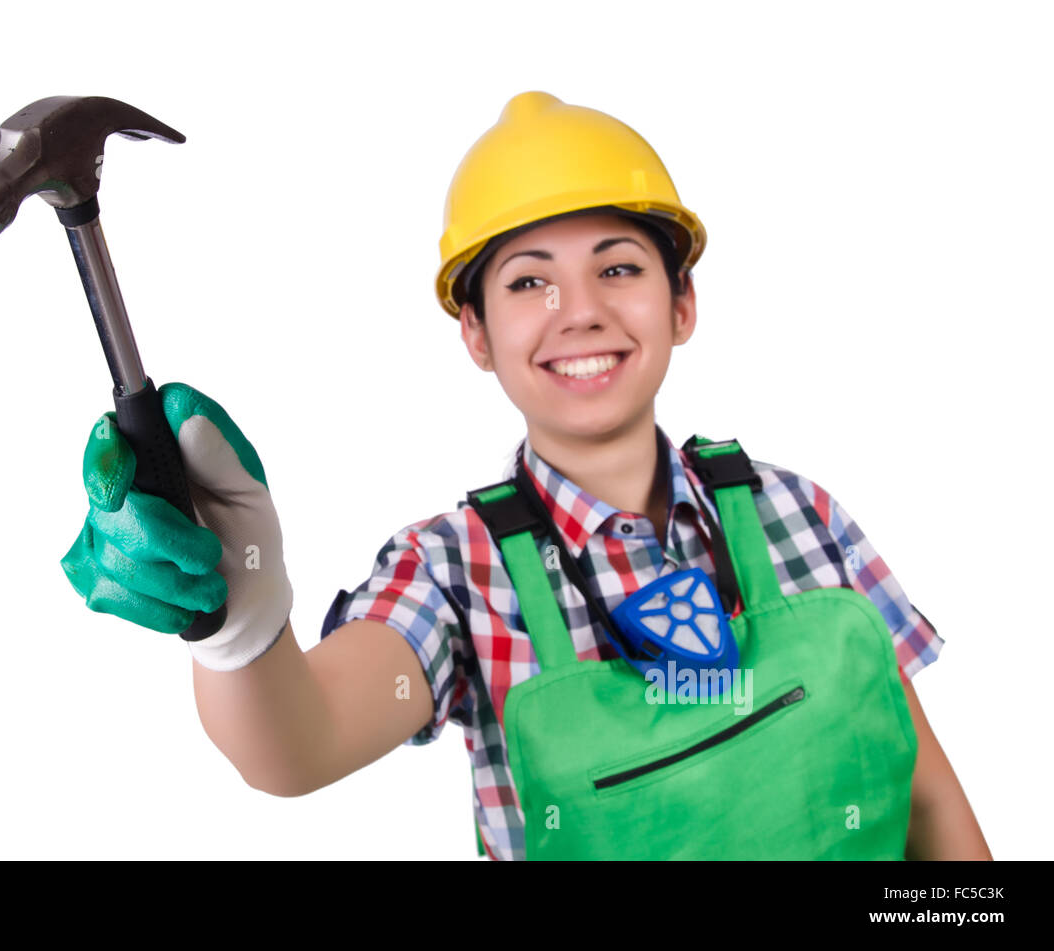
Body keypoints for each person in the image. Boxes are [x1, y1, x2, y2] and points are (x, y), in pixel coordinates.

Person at [59, 91, 991, 861]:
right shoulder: (456, 577)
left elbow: (930, 807)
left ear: (683, 303)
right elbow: (298, 744)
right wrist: (241, 631)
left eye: (618, 267)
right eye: (528, 282)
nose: (578, 312)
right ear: (475, 334)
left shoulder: (797, 511)